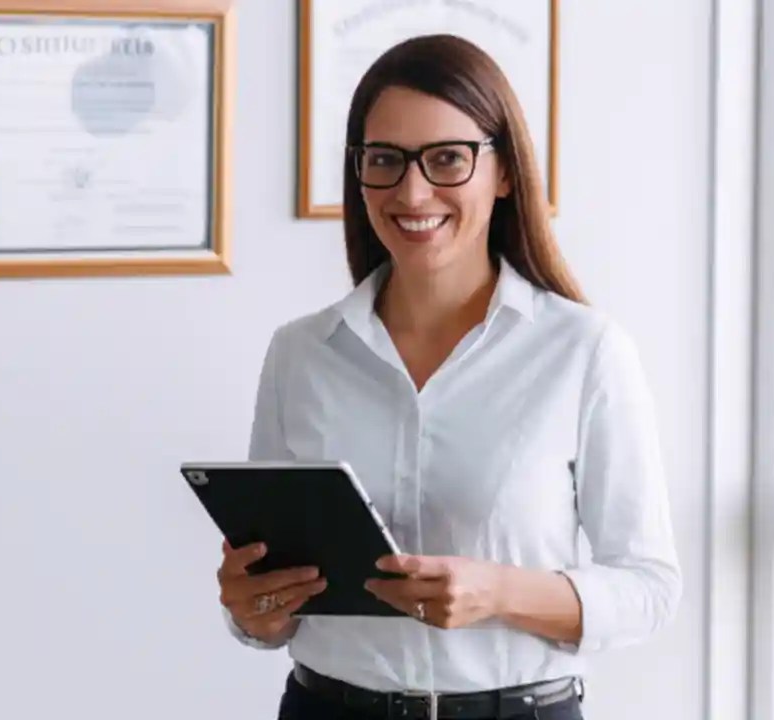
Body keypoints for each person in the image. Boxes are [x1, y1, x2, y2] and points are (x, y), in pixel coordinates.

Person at [216, 34, 682, 720]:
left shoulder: (585, 352)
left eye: (447, 159)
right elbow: (270, 609)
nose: (412, 192)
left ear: (504, 172)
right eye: (385, 160)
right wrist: (252, 609)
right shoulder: (301, 354)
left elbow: (649, 589)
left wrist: (499, 592)